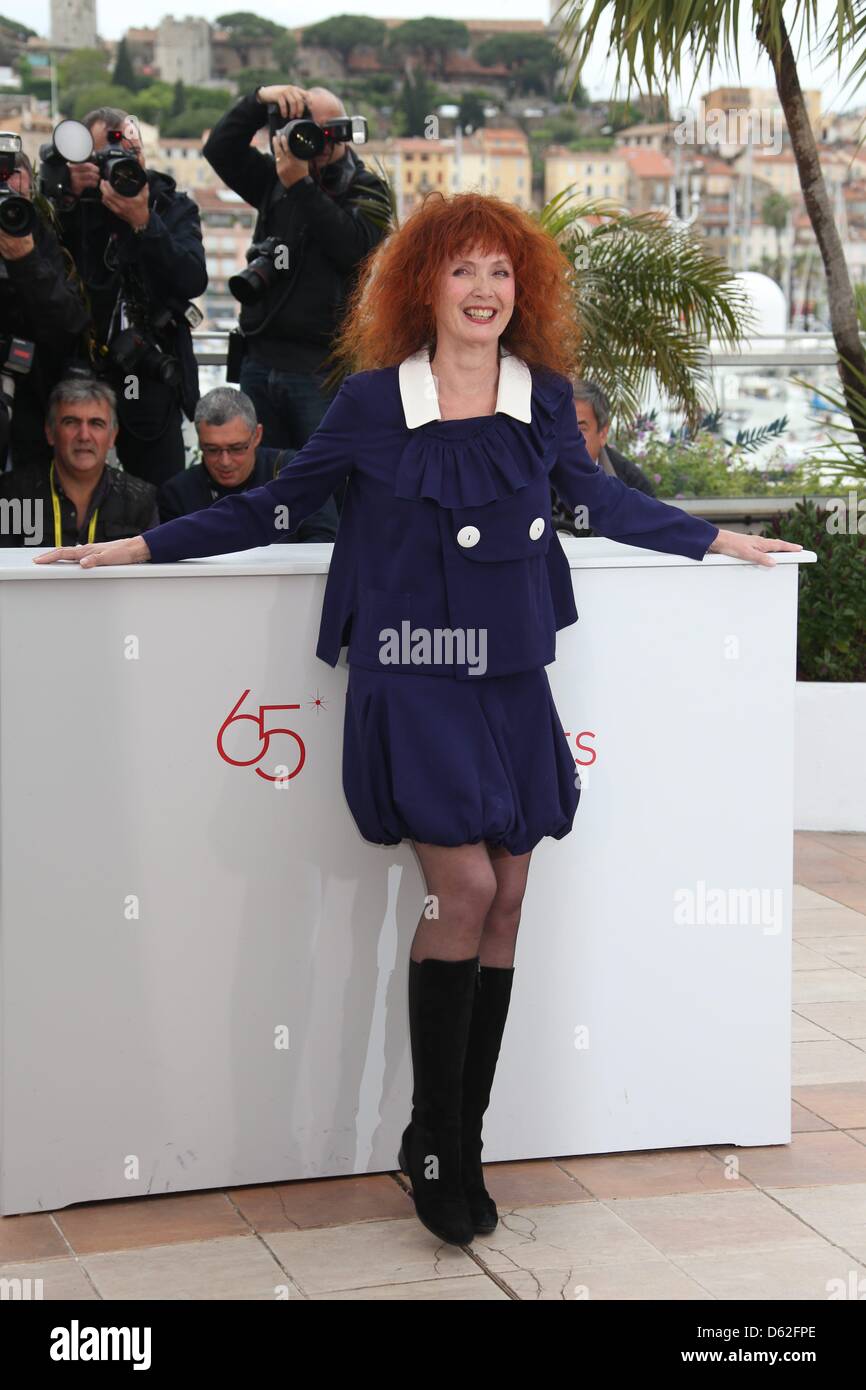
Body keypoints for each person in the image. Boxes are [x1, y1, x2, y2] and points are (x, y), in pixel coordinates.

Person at [34, 192, 803, 1248]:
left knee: (512, 890)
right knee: (468, 886)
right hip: (411, 670)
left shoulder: (542, 399)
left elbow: (601, 501)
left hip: (511, 675)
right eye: (461, 270)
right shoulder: (367, 403)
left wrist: (718, 543)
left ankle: (454, 1135)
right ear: (422, 287)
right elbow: (270, 506)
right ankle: (438, 1146)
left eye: (500, 271)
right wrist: (133, 545)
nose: (484, 290)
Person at [203, 81, 388, 511]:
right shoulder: (276, 178)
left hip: (317, 370)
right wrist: (258, 99)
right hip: (260, 358)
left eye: (324, 131)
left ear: (342, 132)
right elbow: (220, 149)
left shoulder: (366, 189)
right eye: (303, 129)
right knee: (262, 487)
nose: (314, 142)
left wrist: (301, 186)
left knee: (327, 484)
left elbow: (352, 249)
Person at [52, 107, 207, 487]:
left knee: (158, 501)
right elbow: (62, 283)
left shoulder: (170, 205)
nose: (123, 168)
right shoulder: (76, 207)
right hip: (81, 373)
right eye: (110, 158)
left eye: (131, 155)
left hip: (151, 373)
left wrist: (144, 223)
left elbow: (191, 279)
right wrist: (73, 205)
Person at [0, 150, 90, 470]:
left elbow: (68, 325)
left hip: (31, 405)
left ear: (30, 182)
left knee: (26, 518)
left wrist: (25, 260)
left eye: (13, 172)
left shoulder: (42, 235)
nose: (6, 183)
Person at [156, 386, 338, 541]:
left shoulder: (296, 473)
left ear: (257, 435)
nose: (225, 461)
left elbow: (325, 540)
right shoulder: (177, 493)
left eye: (237, 448)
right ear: (200, 442)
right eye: (212, 450)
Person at [1, 376, 158, 546]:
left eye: (96, 424)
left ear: (112, 435)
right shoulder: (14, 493)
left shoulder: (140, 501)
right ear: (50, 432)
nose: (84, 436)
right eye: (71, 422)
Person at [551, 379, 657, 537]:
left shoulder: (632, 483)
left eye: (580, 429)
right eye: (563, 428)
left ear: (603, 433)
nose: (569, 439)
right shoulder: (535, 471)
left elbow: (651, 535)